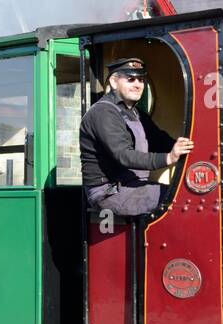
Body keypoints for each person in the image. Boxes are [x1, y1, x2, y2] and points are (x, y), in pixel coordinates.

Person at [80, 58, 194, 217]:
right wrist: (169, 158)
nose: (137, 84)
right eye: (130, 79)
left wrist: (189, 148)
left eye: (141, 80)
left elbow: (159, 140)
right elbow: (123, 155)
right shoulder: (103, 113)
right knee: (179, 199)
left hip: (132, 185)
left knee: (181, 192)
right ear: (114, 81)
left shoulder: (136, 114)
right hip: (108, 191)